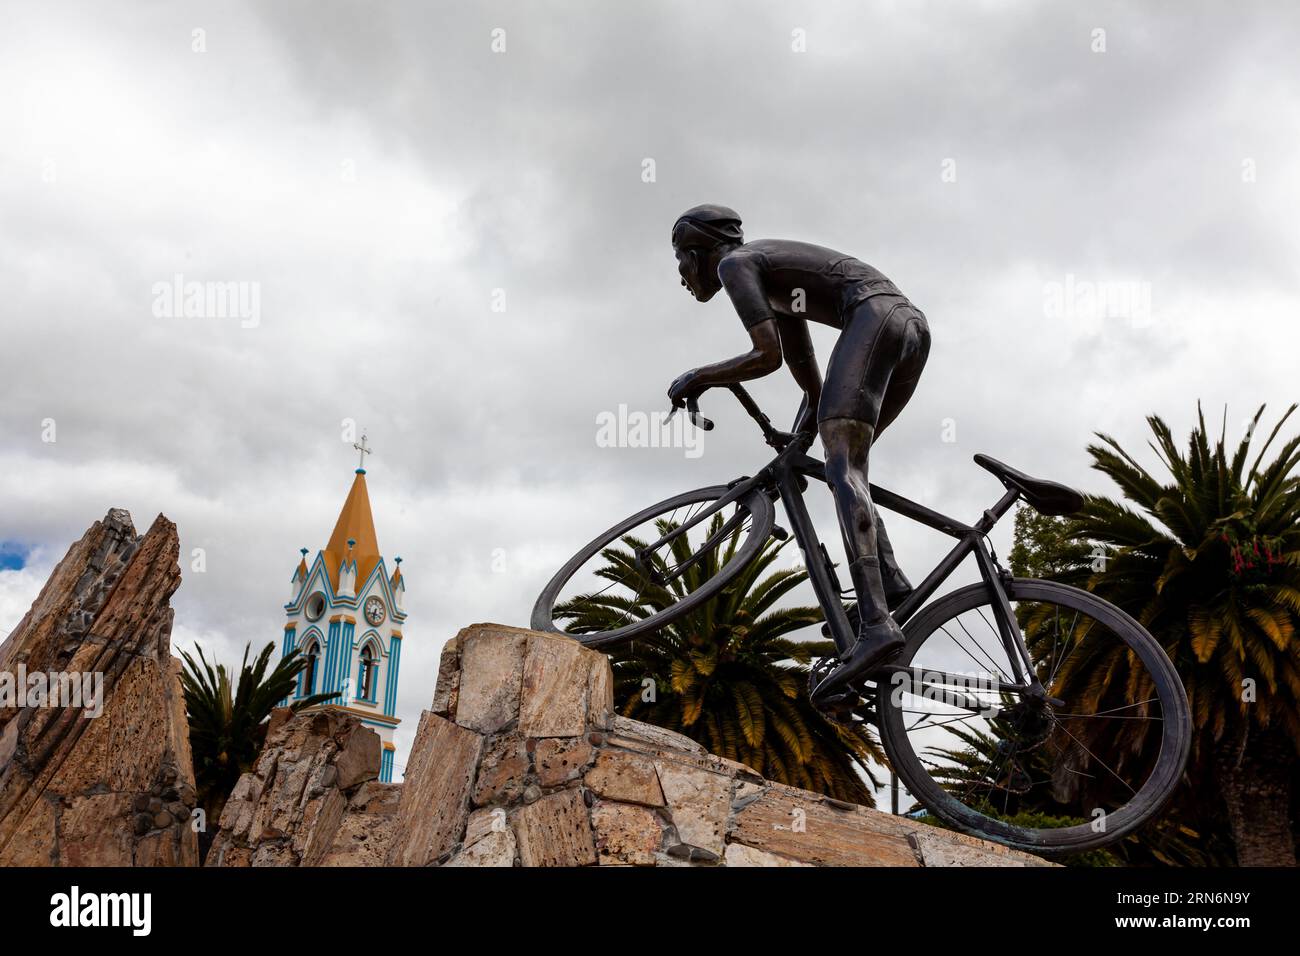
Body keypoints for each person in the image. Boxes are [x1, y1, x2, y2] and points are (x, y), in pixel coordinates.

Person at [666, 204, 931, 708]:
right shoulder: (775, 282)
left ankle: (875, 623)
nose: (681, 277)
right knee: (847, 465)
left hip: (877, 318)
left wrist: (698, 377)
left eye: (680, 261)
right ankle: (891, 585)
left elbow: (764, 357)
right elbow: (810, 379)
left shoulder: (735, 264)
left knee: (843, 466)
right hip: (908, 327)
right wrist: (795, 440)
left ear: (697, 253)